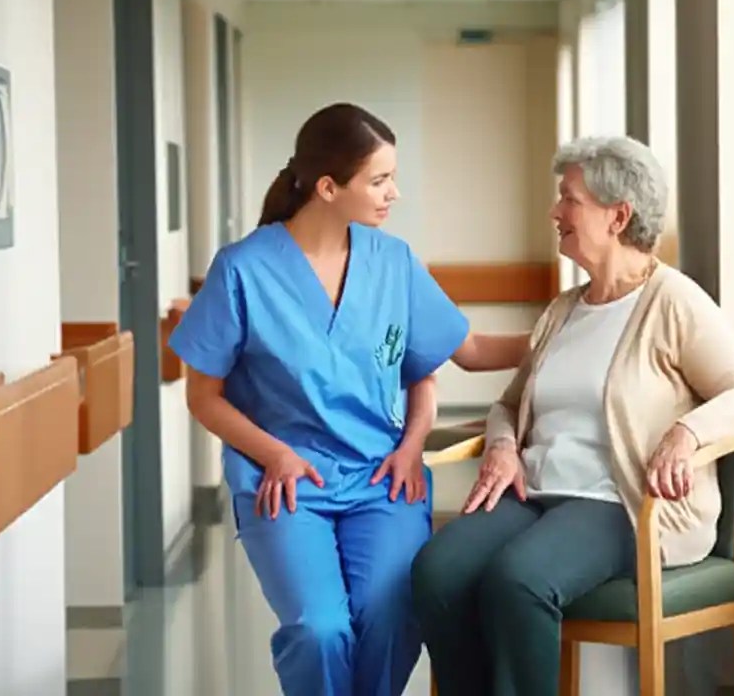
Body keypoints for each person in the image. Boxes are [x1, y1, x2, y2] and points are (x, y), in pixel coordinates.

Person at [169, 102, 528, 696]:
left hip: (382, 479)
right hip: (284, 482)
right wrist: (275, 454)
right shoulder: (243, 270)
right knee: (320, 629)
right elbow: (204, 396)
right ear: (329, 187)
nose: (395, 193)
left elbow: (452, 358)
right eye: (380, 180)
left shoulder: (394, 262)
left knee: (390, 619)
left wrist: (571, 328)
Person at [411, 135, 734, 695]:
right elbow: (509, 404)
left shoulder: (673, 301)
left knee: (519, 580)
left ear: (618, 215)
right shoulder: (563, 310)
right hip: (536, 492)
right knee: (438, 569)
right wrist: (503, 447)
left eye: (568, 198)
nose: (556, 212)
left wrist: (685, 434)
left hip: (618, 502)